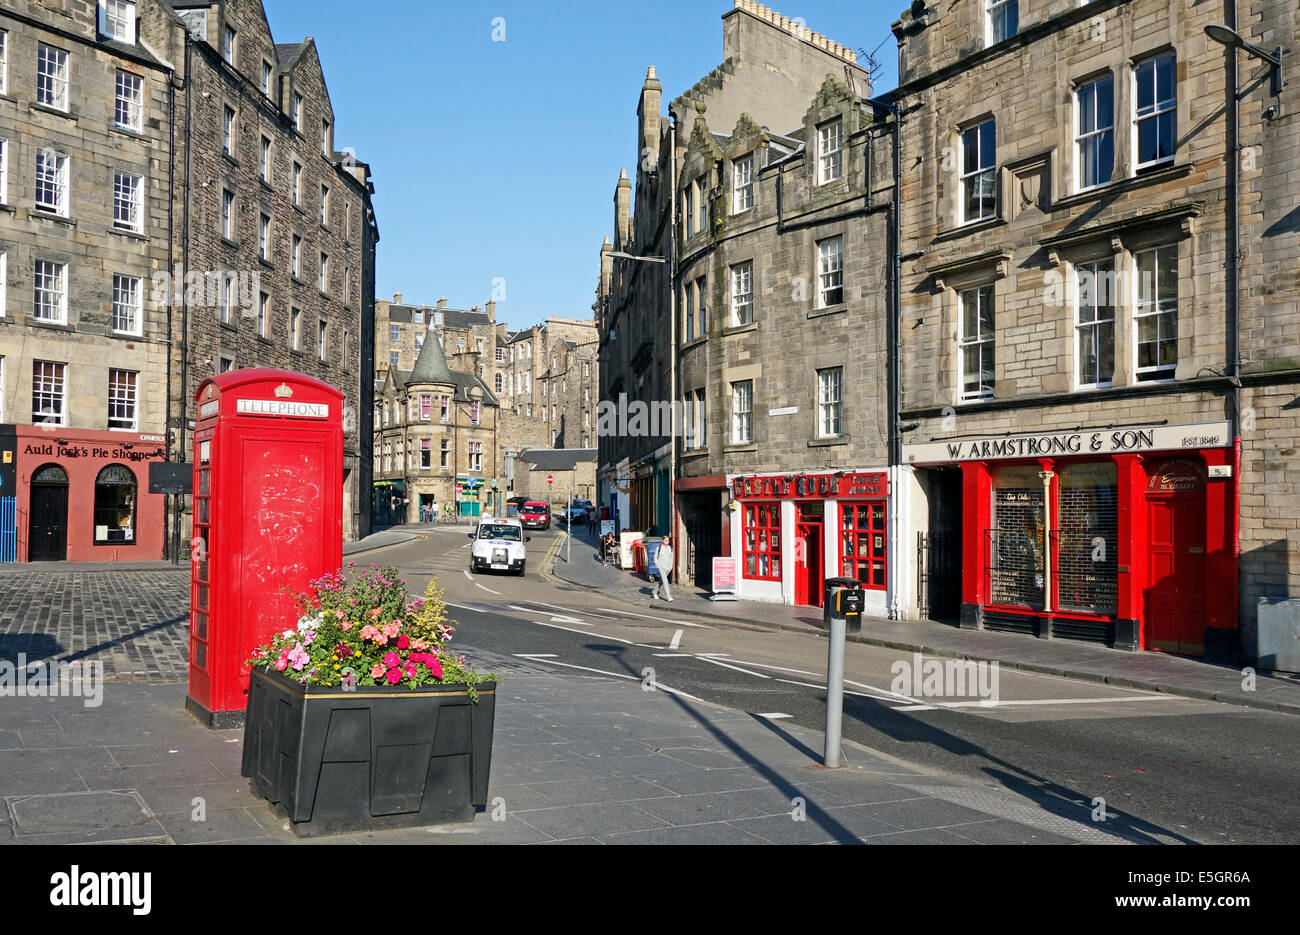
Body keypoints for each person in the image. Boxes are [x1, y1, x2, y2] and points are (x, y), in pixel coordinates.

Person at [651, 535, 674, 602]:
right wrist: (658, 566)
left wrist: (671, 567)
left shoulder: (670, 548)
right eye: (665, 540)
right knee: (666, 581)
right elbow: (655, 558)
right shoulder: (659, 548)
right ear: (662, 541)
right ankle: (668, 597)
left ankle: (654, 592)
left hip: (668, 568)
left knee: (661, 581)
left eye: (668, 540)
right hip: (661, 567)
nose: (667, 541)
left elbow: (671, 558)